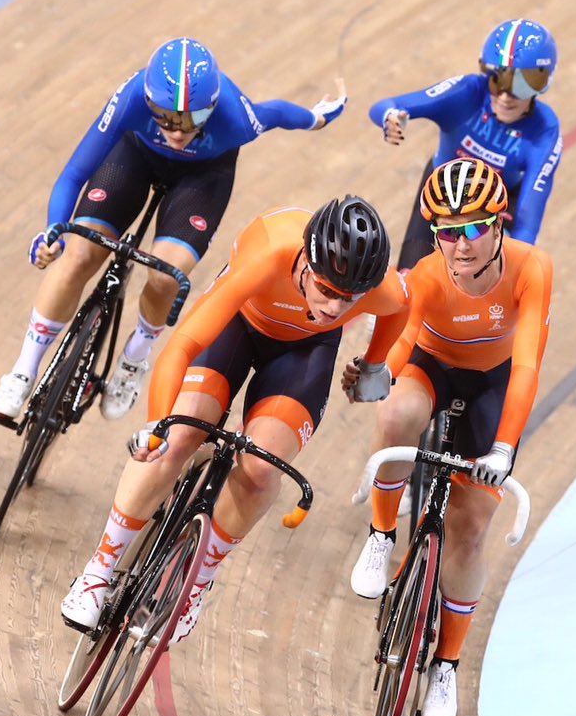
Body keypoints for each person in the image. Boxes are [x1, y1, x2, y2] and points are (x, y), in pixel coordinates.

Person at [60, 195, 411, 642]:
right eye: (327, 290)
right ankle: (100, 569)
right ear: (306, 262)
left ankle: (198, 580)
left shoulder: (377, 290)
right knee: (181, 433)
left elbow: (402, 306)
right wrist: (155, 427)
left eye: (350, 298)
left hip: (304, 352)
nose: (338, 308)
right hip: (237, 326)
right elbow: (181, 348)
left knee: (262, 468)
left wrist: (375, 364)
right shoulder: (266, 257)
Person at [0, 36, 348, 422]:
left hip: (204, 174)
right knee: (77, 254)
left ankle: (134, 359)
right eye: (165, 116)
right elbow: (76, 172)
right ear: (147, 101)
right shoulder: (129, 98)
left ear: (211, 109)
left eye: (191, 120)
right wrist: (52, 231)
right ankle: (23, 371)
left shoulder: (237, 118)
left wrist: (318, 117)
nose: (177, 131)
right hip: (136, 156)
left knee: (164, 277)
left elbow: (275, 112)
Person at [343, 158, 553, 716]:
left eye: (471, 229)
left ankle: (447, 663)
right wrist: (376, 373)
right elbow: (403, 337)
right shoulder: (428, 276)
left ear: (500, 223)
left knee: (470, 527)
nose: (457, 245)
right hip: (432, 367)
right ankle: (383, 535)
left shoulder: (533, 269)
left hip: (493, 385)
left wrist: (503, 451)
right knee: (400, 413)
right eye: (444, 231)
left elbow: (528, 364)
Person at [370, 18, 562, 271]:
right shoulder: (465, 92)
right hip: (441, 190)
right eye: (498, 81)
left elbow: (528, 221)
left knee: (483, 281)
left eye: (523, 86)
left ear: (543, 84)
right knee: (410, 276)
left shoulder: (545, 129)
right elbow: (384, 106)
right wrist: (390, 117)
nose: (506, 96)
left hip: (496, 203)